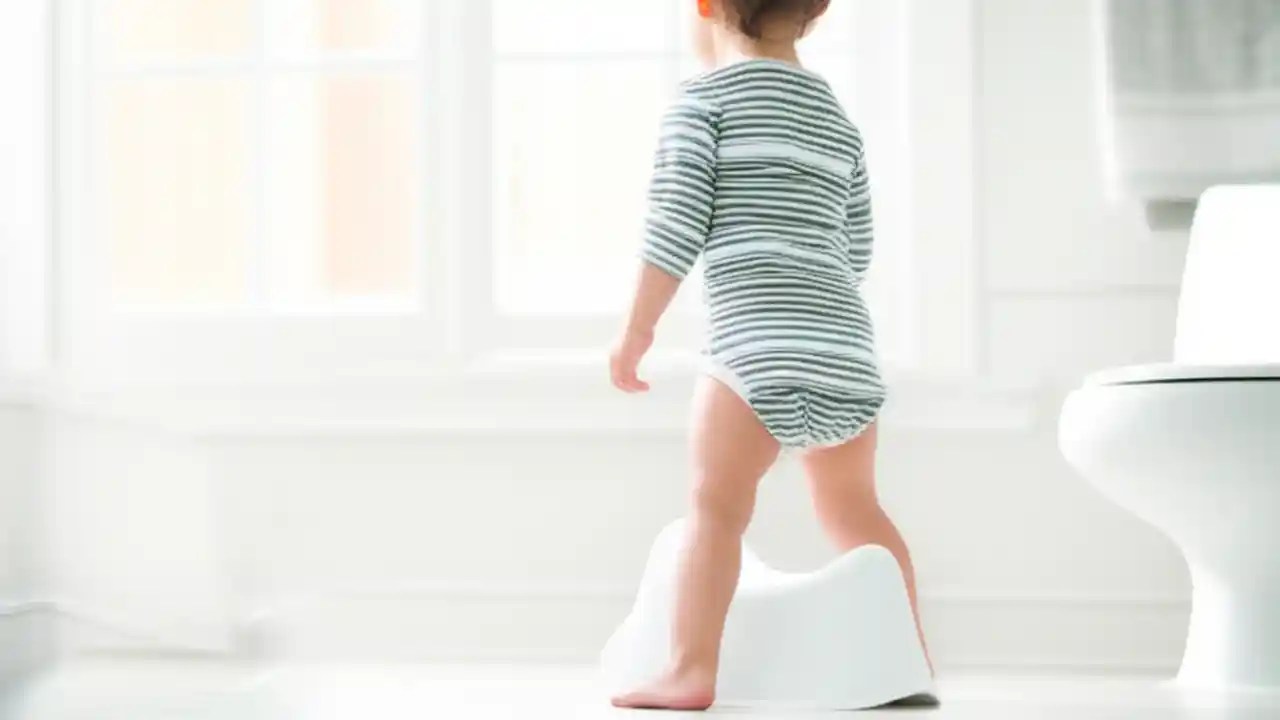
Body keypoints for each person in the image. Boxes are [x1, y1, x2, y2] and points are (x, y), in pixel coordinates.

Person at [608, 0, 930, 710]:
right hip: (843, 347)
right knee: (857, 512)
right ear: (817, 9)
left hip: (753, 349)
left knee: (715, 510)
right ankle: (908, 663)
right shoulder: (836, 119)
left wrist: (637, 330)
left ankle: (692, 669)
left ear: (705, 6)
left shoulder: (704, 101)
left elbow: (673, 225)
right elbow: (857, 248)